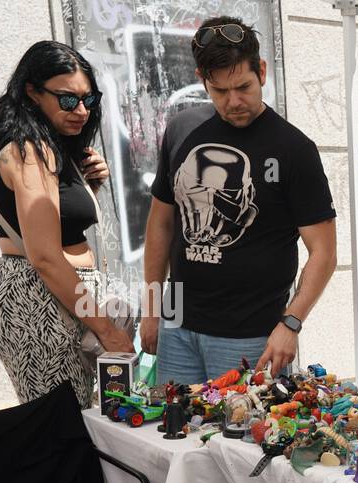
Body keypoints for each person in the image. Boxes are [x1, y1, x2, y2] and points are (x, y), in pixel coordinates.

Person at [140, 17, 337, 385]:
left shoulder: (294, 149)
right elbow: (161, 224)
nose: (234, 102)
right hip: (177, 329)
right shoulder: (182, 130)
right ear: (203, 80)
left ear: (261, 71)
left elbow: (324, 252)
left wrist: (290, 324)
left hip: (250, 339)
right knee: (173, 439)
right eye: (219, 91)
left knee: (241, 442)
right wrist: (153, 309)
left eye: (244, 87)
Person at [0, 41, 131, 409]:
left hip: (52, 294)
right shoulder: (30, 149)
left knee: (72, 422)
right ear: (32, 91)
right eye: (66, 99)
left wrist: (87, 186)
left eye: (88, 101)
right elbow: (45, 256)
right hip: (39, 296)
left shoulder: (51, 148)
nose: (80, 110)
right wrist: (107, 330)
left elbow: (56, 220)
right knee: (60, 425)